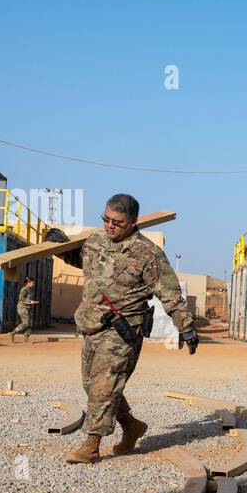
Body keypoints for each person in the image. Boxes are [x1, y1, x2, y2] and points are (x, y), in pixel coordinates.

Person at [62, 194, 198, 464]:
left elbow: (169, 292)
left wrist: (186, 326)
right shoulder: (95, 240)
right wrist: (57, 245)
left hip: (121, 331)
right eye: (106, 219)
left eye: (117, 222)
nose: (110, 226)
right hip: (92, 326)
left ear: (133, 222)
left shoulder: (147, 254)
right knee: (93, 385)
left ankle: (92, 444)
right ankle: (132, 427)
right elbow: (80, 259)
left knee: (103, 387)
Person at [10, 277, 37, 343]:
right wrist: (30, 301)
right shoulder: (24, 289)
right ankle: (13, 332)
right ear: (28, 283)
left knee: (30, 323)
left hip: (29, 307)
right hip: (22, 307)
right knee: (26, 323)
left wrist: (31, 302)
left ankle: (26, 339)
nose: (34, 284)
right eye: (33, 283)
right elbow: (21, 298)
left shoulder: (30, 289)